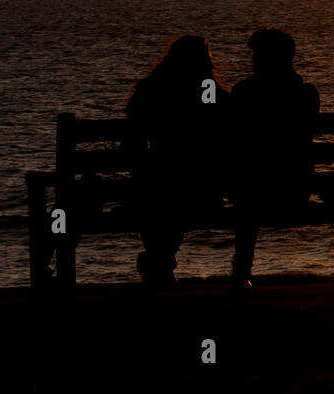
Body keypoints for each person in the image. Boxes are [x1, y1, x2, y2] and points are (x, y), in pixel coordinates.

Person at [126, 35, 229, 287]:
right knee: (172, 198)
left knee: (158, 199)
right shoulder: (207, 91)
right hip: (203, 193)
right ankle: (160, 263)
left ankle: (158, 261)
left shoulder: (151, 91)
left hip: (156, 189)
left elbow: (132, 145)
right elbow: (226, 124)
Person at [228, 29, 320, 293]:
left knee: (246, 189)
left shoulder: (243, 93)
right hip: (295, 192)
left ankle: (242, 271)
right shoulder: (307, 95)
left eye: (257, 55)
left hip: (251, 195)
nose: (253, 61)